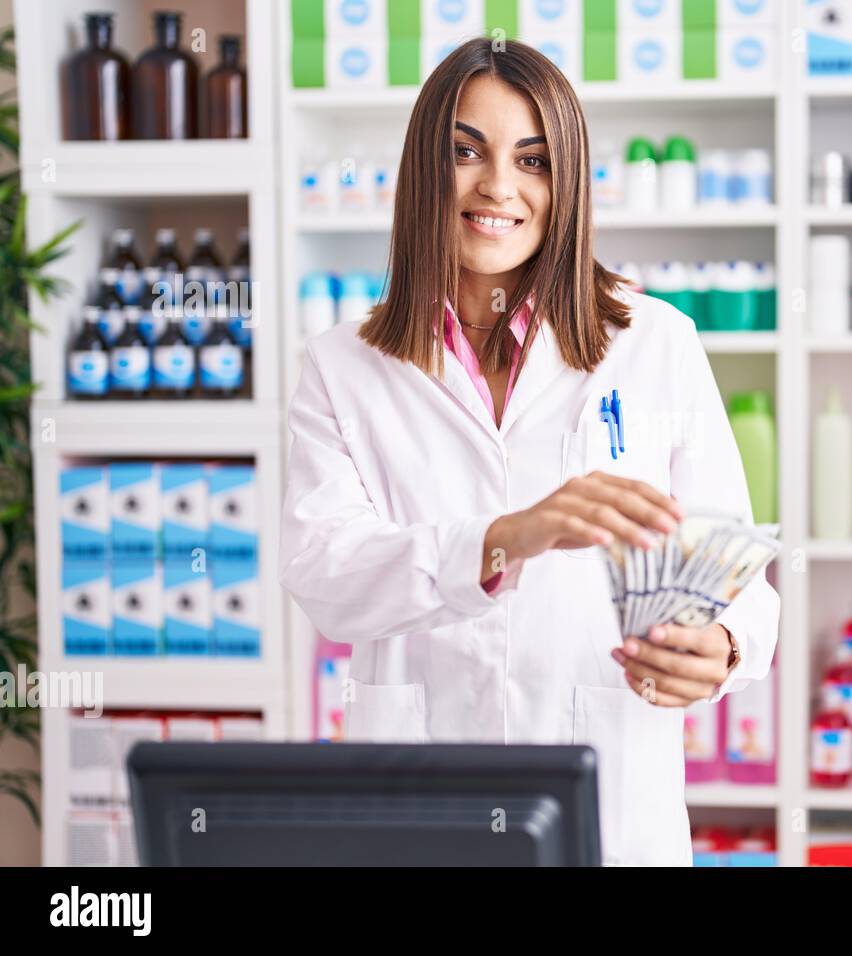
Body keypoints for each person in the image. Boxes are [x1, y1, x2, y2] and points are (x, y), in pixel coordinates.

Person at [279, 38, 778, 866]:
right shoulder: (342, 365)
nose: (497, 187)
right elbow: (325, 576)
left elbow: (736, 577)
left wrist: (724, 647)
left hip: (614, 811)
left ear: (567, 181)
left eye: (533, 160)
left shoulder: (656, 343)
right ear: (422, 170)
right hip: (423, 810)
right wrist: (504, 539)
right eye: (465, 151)